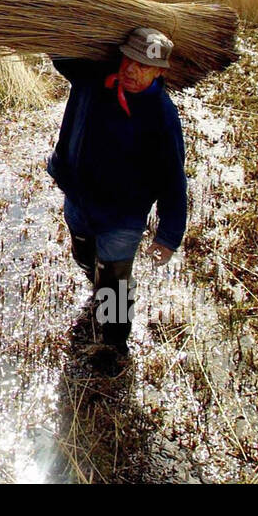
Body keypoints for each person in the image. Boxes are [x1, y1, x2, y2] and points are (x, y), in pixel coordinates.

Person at [46, 27, 188, 362]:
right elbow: (58, 48)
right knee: (82, 255)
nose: (133, 71)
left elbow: (173, 179)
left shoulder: (162, 116)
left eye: (144, 67)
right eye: (130, 61)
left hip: (122, 215)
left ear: (160, 71)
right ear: (120, 56)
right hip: (79, 199)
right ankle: (94, 282)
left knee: (114, 284)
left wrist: (168, 236)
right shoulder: (92, 77)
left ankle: (113, 345)